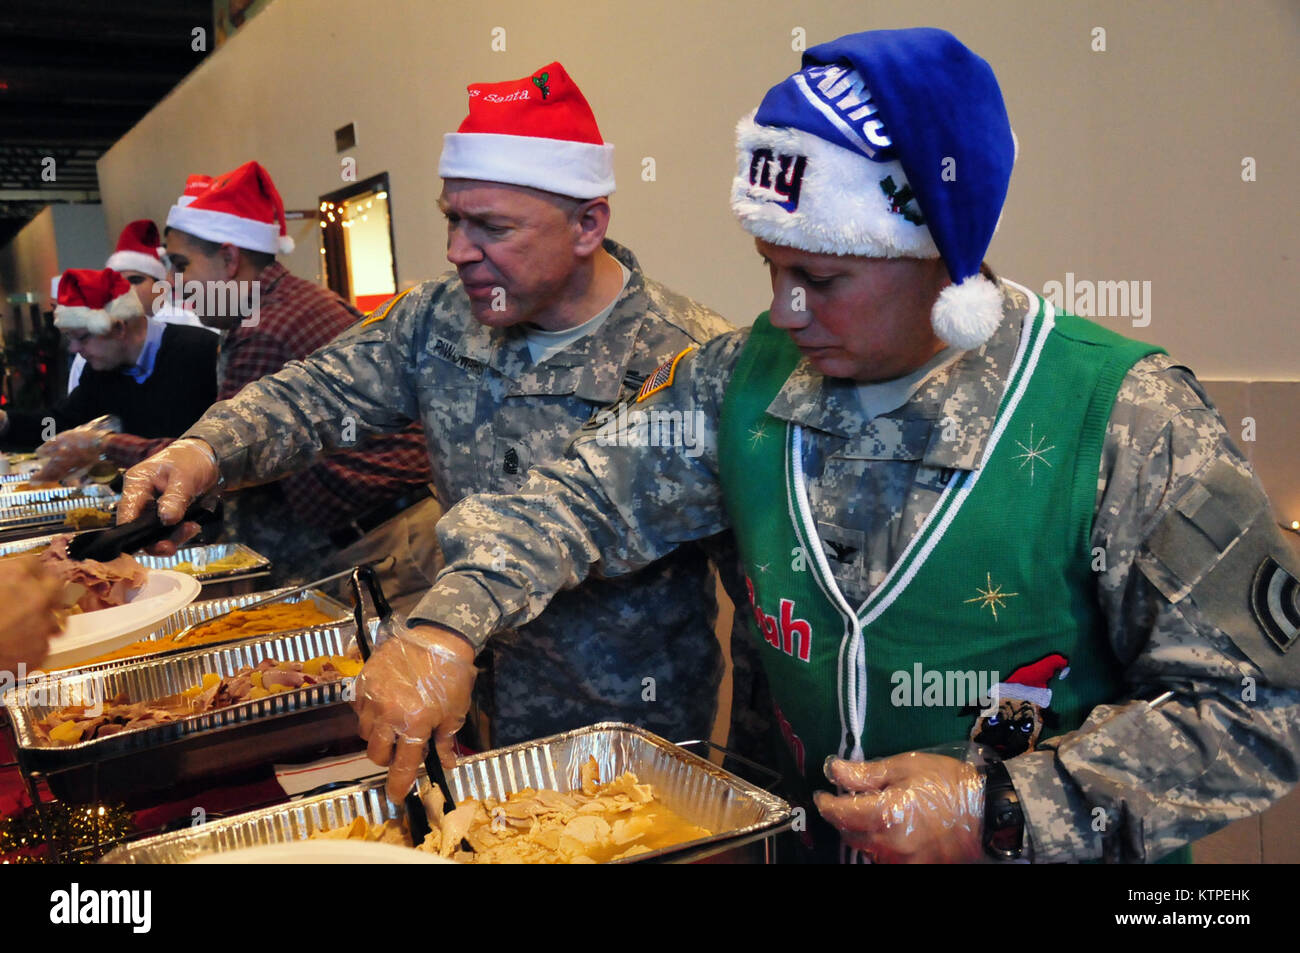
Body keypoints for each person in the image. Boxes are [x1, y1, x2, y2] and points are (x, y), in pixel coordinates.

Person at [315, 29, 1291, 862]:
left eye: (819, 276)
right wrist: (446, 623)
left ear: (940, 251)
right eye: (770, 267)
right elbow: (579, 501)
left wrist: (998, 807)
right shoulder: (743, 377)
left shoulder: (1119, 412)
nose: (783, 308)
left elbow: (1258, 705)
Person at [118, 63, 739, 751]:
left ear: (588, 224)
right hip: (468, 694)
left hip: (619, 723)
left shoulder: (681, 357)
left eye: (490, 227)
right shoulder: (440, 318)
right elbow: (316, 391)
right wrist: (203, 451)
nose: (456, 251)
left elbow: (755, 588)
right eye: (452, 220)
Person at [143, 160, 439, 601]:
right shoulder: (282, 304)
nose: (171, 283)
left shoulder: (268, 325)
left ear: (229, 258)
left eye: (180, 265)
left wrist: (117, 457)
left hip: (395, 541)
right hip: (391, 532)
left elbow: (228, 457)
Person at [0, 268, 218, 468]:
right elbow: (59, 424)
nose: (74, 349)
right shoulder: (100, 371)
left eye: (82, 338)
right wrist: (7, 423)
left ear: (119, 328)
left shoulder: (200, 351)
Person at [66, 217, 215, 394]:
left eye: (136, 280)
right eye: (117, 283)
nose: (126, 289)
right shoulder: (96, 344)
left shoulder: (197, 329)